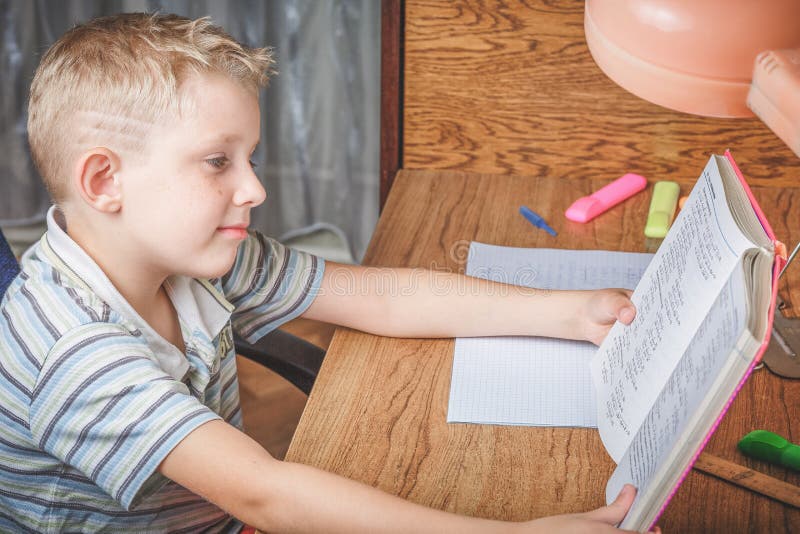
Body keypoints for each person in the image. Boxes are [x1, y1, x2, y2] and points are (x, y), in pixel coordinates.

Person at [0, 12, 654, 533]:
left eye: (249, 157)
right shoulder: (76, 351)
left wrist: (569, 312)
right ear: (104, 180)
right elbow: (266, 496)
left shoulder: (190, 256)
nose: (254, 188)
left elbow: (381, 295)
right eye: (217, 162)